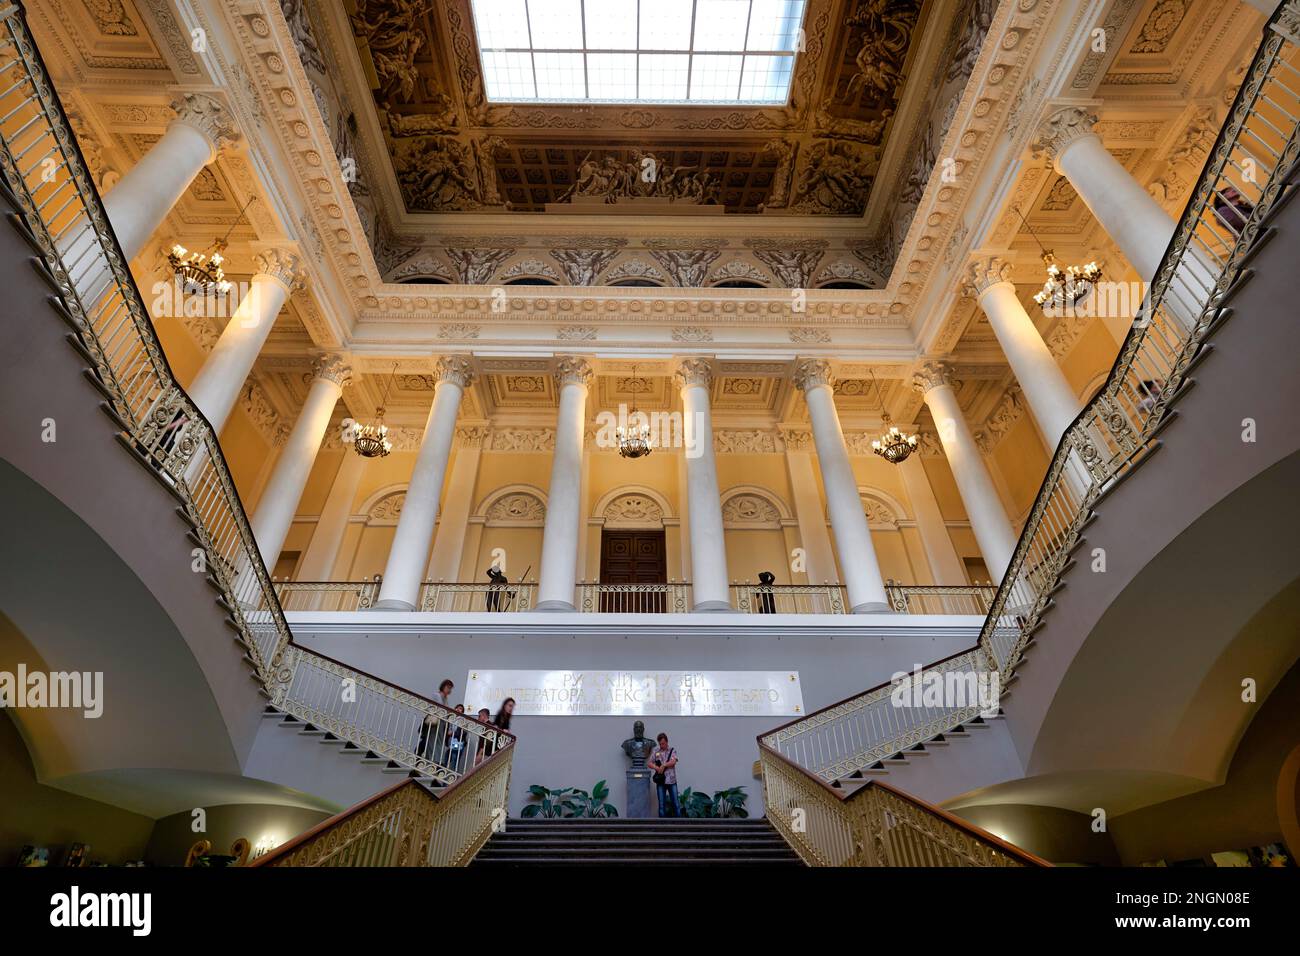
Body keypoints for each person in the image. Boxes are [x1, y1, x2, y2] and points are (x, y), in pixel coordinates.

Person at [416, 678, 455, 760]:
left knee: (437, 741)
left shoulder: (446, 698)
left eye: (450, 688)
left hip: (441, 723)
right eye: (448, 687)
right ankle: (429, 759)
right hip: (434, 722)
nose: (449, 690)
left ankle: (434, 760)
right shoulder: (437, 695)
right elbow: (441, 708)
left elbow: (447, 711)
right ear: (443, 686)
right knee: (431, 741)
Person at [648, 733, 679, 818]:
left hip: (671, 781)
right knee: (661, 804)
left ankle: (680, 826)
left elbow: (673, 761)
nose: (662, 745)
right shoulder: (656, 751)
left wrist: (664, 765)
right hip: (661, 782)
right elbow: (649, 763)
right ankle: (661, 827)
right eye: (660, 744)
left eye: (663, 743)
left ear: (667, 741)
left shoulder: (672, 750)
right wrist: (657, 768)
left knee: (676, 803)